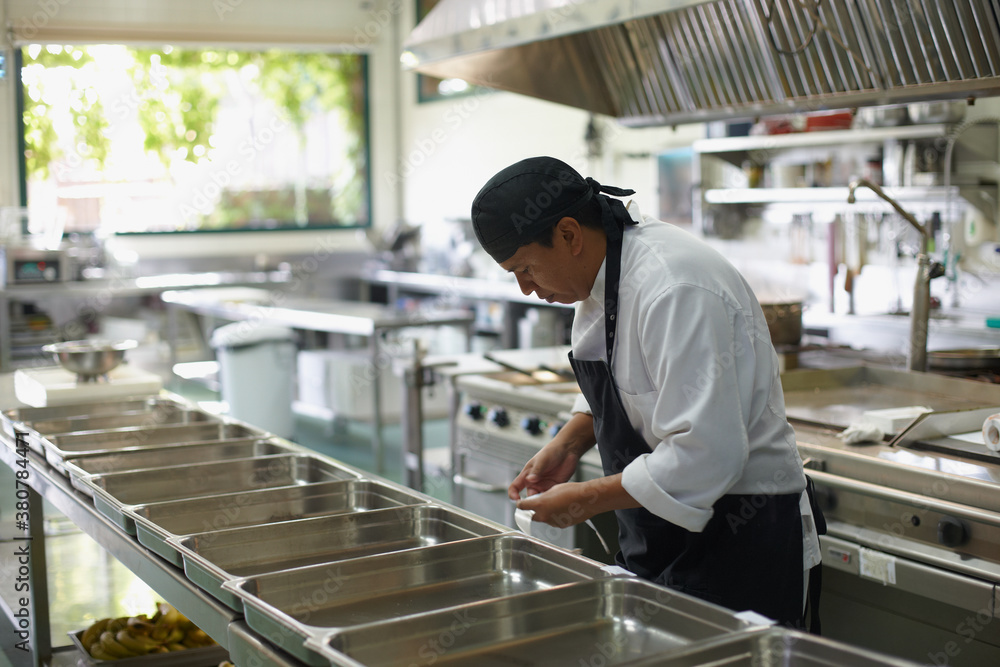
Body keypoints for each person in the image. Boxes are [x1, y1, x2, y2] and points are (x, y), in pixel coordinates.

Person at [470, 156, 824, 630]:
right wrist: (571, 441)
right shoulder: (599, 275)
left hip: (739, 534)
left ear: (570, 234)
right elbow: (626, 378)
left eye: (526, 268)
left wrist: (586, 499)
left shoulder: (674, 286)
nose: (526, 288)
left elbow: (706, 454)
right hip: (658, 534)